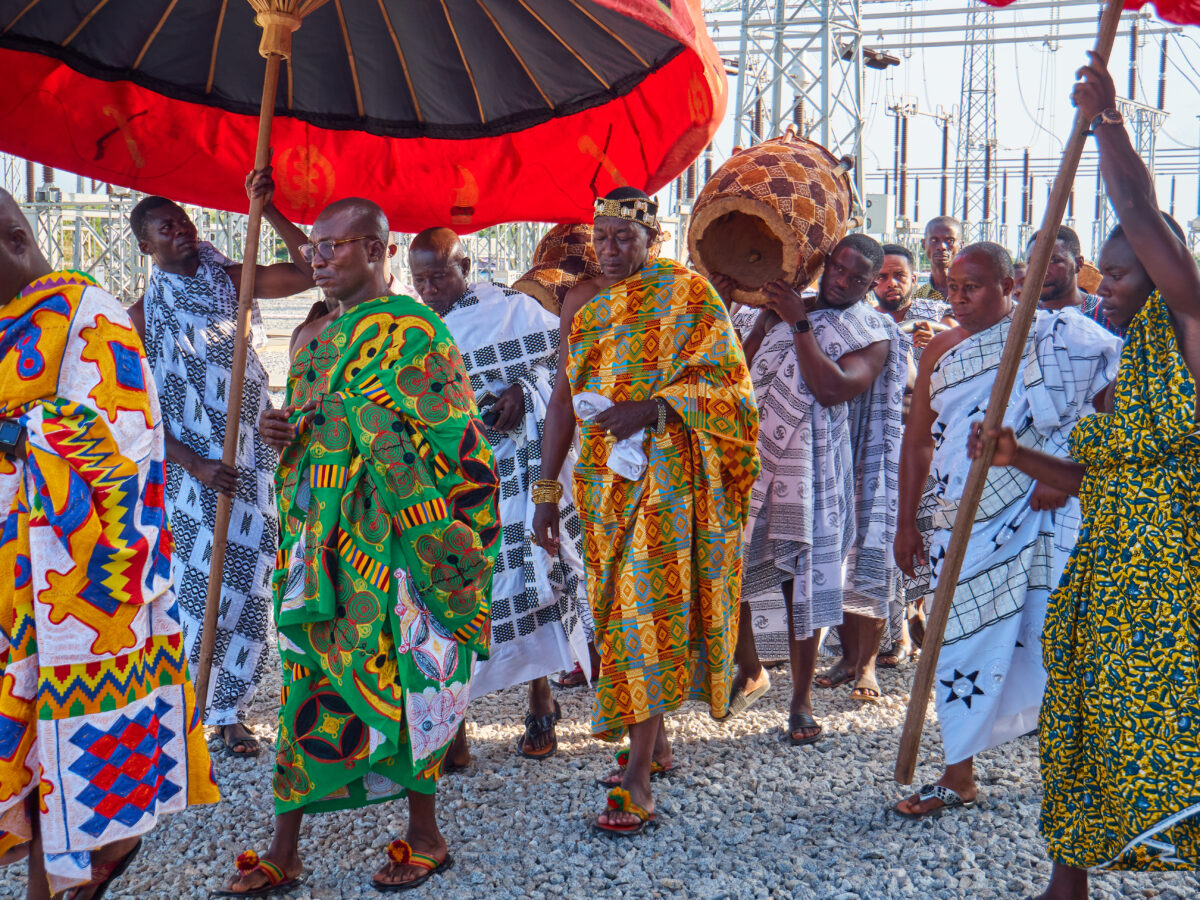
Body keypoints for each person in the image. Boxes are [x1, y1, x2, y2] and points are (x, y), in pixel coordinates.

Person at [218, 198, 499, 894]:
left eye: (332, 246)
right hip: (325, 550)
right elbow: (310, 436)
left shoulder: (417, 332)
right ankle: (286, 847)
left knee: (409, 681)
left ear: (376, 250)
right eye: (313, 248)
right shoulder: (318, 339)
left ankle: (426, 834)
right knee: (307, 683)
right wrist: (285, 434)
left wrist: (348, 421)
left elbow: (454, 439)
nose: (316, 258)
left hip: (400, 545)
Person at [969, 51, 1200, 899]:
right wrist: (1013, 456)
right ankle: (1069, 882)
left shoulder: (1190, 330)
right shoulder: (1125, 363)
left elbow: (1143, 213)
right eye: (1109, 273)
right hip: (1106, 565)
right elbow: (1089, 478)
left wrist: (1107, 122)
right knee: (1079, 710)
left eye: (1127, 271)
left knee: (1171, 722)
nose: (1110, 286)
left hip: (1175, 572)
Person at [0, 191, 218, 899]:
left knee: (52, 753)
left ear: (10, 236)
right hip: (9, 584)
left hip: (70, 584)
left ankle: (67, 875)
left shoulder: (85, 315)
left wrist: (14, 437)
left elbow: (119, 449)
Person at [531, 187, 759, 834]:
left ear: (652, 240)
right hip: (603, 485)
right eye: (600, 237)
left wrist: (657, 408)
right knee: (613, 611)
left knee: (643, 613)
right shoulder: (580, 299)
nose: (608, 249)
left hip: (670, 479)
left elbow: (729, 387)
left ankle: (635, 779)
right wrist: (547, 493)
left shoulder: (687, 294)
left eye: (622, 239)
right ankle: (653, 742)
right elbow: (561, 401)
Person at [892, 241, 1121, 821]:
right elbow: (919, 440)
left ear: (1009, 285)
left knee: (1058, 640)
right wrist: (907, 521)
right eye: (952, 288)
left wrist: (1055, 464)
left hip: (1043, 511)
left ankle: (1086, 772)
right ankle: (957, 774)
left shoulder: (1058, 339)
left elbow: (1110, 412)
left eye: (973, 287)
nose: (959, 298)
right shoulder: (939, 348)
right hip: (960, 517)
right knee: (957, 636)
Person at [127, 169, 314, 759]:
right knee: (201, 583)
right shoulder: (138, 318)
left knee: (252, 579)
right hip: (190, 472)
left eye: (183, 221)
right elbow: (139, 412)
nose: (180, 230)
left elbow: (311, 271)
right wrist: (196, 465)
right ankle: (202, 706)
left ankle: (231, 708)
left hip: (253, 452)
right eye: (166, 227)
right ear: (145, 246)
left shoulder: (232, 279)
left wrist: (270, 208)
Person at [406, 226, 591, 766]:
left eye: (440, 274)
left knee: (525, 583)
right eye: (421, 280)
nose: (431, 288)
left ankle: (540, 700)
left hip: (519, 472)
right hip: (452, 481)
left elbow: (568, 369)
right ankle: (453, 724)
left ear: (466, 267)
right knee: (455, 592)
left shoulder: (514, 310)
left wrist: (520, 387)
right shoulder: (415, 329)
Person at [721, 233, 905, 741]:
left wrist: (799, 323)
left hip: (815, 471)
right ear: (826, 264)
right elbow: (735, 369)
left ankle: (800, 701)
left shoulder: (873, 329)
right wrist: (763, 319)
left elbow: (831, 388)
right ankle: (751, 668)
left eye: (856, 278)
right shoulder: (783, 308)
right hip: (752, 458)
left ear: (870, 285)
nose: (842, 282)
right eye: (838, 269)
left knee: (801, 583)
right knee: (726, 568)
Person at [872, 243, 955, 668]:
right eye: (882, 277)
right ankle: (898, 630)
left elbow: (968, 335)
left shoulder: (929, 313)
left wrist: (938, 336)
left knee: (920, 531)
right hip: (879, 446)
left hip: (927, 446)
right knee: (886, 537)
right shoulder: (866, 319)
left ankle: (916, 612)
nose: (890, 284)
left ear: (913, 277)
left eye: (898, 276)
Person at [1026, 225, 1122, 336]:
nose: (1041, 271)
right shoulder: (1019, 319)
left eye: (1054, 261)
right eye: (1032, 262)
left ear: (1078, 263)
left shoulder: (1109, 313)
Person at [914, 216, 962, 302]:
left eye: (950, 240)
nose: (942, 247)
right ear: (924, 244)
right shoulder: (918, 299)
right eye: (934, 240)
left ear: (960, 246)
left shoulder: (975, 294)